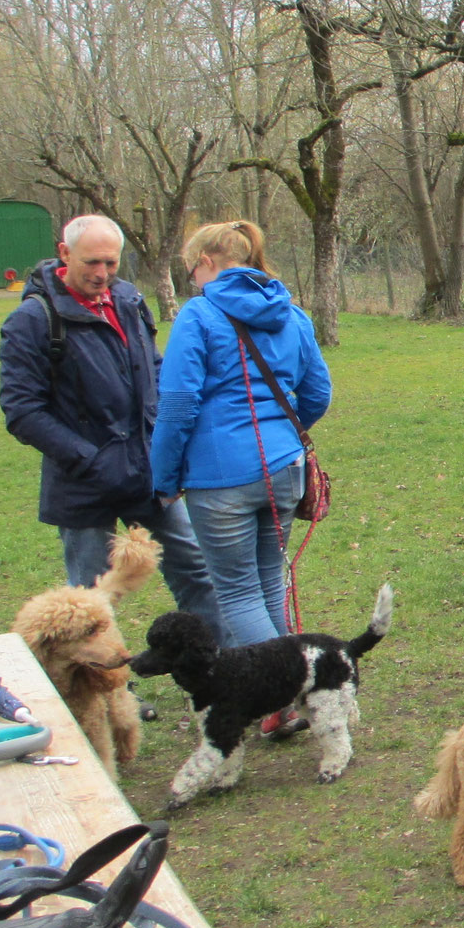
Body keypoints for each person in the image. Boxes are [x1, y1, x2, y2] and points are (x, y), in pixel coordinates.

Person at [0, 214, 224, 642]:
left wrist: (165, 438)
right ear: (64, 253)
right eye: (91, 263)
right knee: (91, 598)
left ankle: (218, 663)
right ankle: (101, 678)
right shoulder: (32, 320)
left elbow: (154, 370)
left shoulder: (128, 300)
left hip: (149, 470)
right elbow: (22, 410)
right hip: (85, 482)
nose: (102, 273)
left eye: (111, 262)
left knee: (197, 570)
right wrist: (89, 458)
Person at [150, 221, 330, 735]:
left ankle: (284, 697)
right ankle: (300, 693)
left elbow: (177, 404)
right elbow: (317, 392)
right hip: (284, 468)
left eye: (191, 269)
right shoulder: (291, 312)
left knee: (238, 593)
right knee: (269, 583)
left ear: (207, 261)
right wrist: (279, 437)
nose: (192, 279)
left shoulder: (199, 315)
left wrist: (165, 477)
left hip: (220, 477)